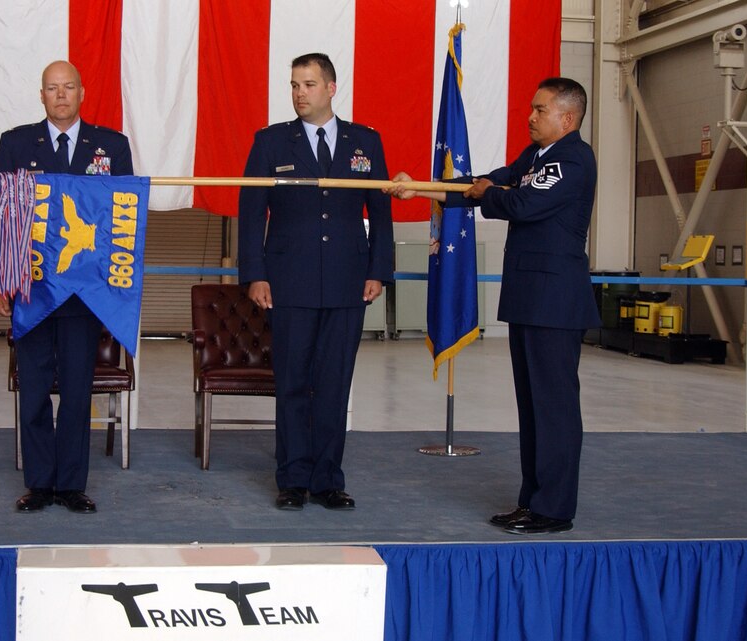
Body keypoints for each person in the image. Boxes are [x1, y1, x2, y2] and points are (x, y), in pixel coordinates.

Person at [388, 77, 599, 534]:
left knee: (555, 407)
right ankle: (533, 500)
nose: (530, 116)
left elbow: (519, 203)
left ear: (567, 118)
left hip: (556, 302)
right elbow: (479, 185)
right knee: (532, 405)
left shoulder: (574, 159)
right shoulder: (534, 158)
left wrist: (489, 193)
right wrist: (420, 188)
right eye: (532, 107)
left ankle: (555, 508)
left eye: (540, 109)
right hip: (530, 297)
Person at [238, 53, 394, 511]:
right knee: (291, 382)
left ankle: (327, 478)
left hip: (348, 281)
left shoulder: (365, 141)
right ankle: (292, 478)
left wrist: (377, 270)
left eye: (308, 84)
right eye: (293, 85)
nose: (299, 93)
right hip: (289, 281)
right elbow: (251, 213)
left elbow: (380, 213)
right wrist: (255, 274)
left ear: (331, 88)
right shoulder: (270, 142)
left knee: (334, 383)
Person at [0, 60, 134, 513]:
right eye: (53, 88)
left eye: (69, 87)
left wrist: (116, 288)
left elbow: (124, 219)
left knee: (75, 394)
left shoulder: (111, 146)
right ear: (42, 95)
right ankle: (39, 484)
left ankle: (70, 485)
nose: (61, 95)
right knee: (32, 392)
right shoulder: (15, 145)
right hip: (31, 292)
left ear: (83, 92)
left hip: (84, 295)